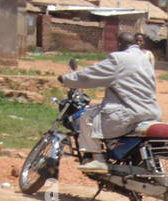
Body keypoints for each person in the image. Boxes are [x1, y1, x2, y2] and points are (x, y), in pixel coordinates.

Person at [58, 31, 161, 174]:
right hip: (151, 112)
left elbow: (91, 75)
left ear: (120, 44)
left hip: (128, 113)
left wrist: (67, 79)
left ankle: (98, 159)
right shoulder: (145, 59)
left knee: (86, 117)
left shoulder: (118, 59)